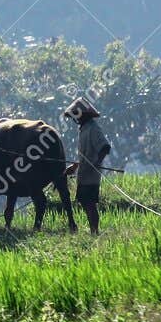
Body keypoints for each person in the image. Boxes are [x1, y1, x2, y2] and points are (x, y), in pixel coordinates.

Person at [64, 96, 111, 235]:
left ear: (83, 115)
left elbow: (105, 147)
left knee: (90, 203)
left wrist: (97, 163)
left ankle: (95, 232)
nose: (75, 119)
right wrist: (75, 166)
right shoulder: (84, 129)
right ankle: (93, 231)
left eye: (76, 115)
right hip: (84, 173)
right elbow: (85, 155)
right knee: (85, 202)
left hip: (91, 174)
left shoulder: (93, 128)